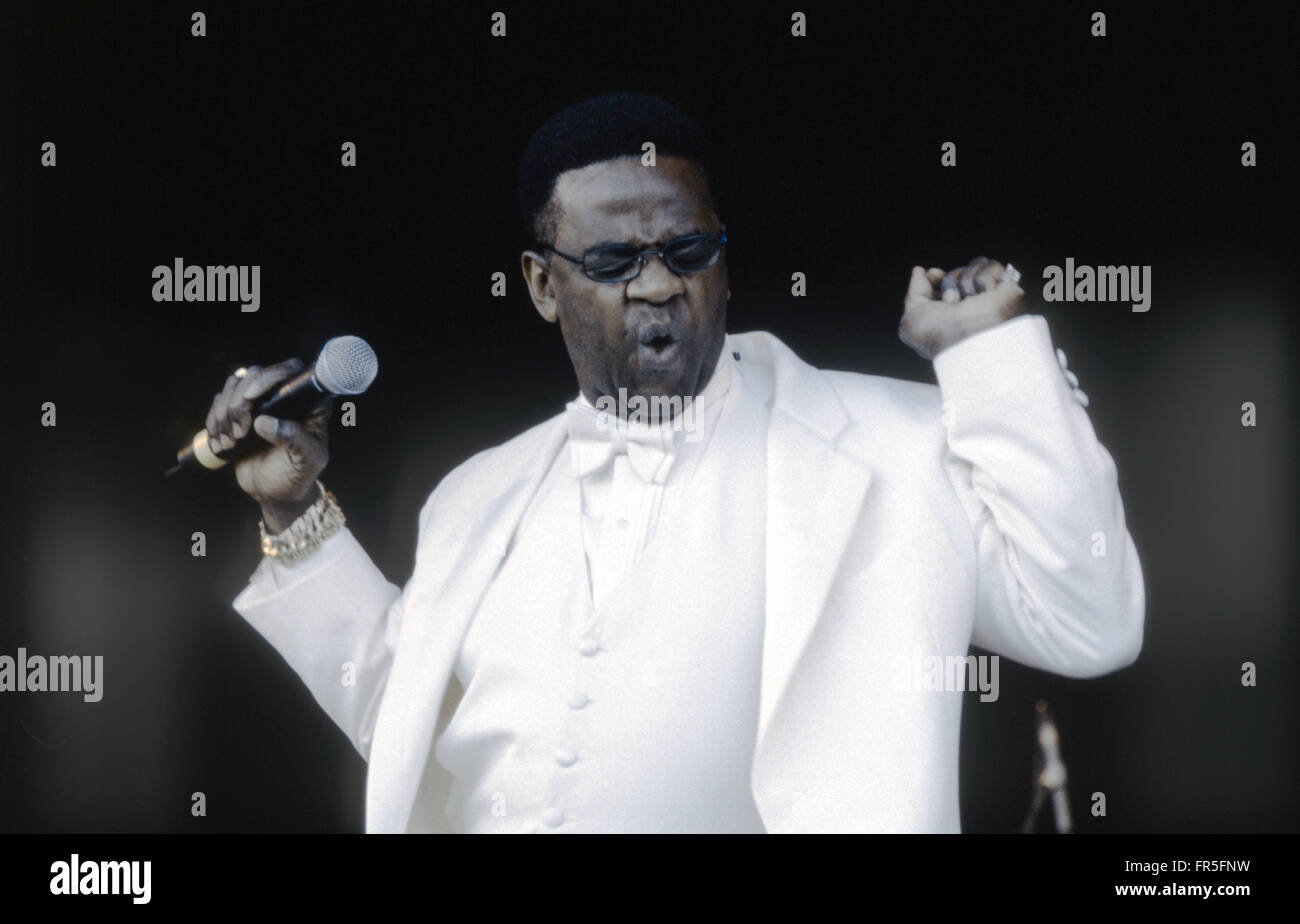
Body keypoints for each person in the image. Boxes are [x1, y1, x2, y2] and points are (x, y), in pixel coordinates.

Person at [210, 93, 1144, 833]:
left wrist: (989, 359)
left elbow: (1088, 622)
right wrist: (296, 519)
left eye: (686, 250)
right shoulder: (478, 496)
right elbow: (406, 722)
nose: (658, 284)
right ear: (542, 284)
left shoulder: (891, 452)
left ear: (723, 261)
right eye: (615, 259)